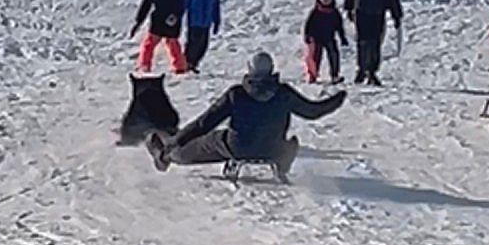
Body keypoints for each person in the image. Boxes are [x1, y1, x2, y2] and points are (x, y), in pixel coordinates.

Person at [145, 52, 346, 181]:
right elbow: (313, 112)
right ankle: (282, 162)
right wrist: (336, 100)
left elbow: (205, 123)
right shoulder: (284, 93)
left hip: (237, 147)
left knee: (207, 142)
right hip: (273, 149)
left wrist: (175, 141)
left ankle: (165, 157)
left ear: (250, 70)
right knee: (290, 143)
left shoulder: (237, 94)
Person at [342, 0, 402, 86]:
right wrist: (348, 8)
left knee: (375, 43)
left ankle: (372, 72)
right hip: (361, 12)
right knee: (362, 42)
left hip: (377, 13)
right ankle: (361, 69)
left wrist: (396, 15)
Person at [131, 0, 187, 75]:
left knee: (150, 44)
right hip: (171, 22)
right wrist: (176, 16)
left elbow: (146, 5)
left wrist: (138, 21)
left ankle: (144, 65)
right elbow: (181, 6)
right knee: (173, 45)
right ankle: (180, 67)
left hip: (159, 21)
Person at [303, 0, 348, 84]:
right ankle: (312, 75)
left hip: (329, 38)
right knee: (315, 57)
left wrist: (342, 37)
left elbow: (339, 26)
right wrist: (307, 36)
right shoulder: (315, 12)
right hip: (316, 39)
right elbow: (308, 25)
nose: (326, 0)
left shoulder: (334, 12)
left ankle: (334, 75)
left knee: (334, 55)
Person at [183, 0, 221, 74]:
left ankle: (194, 63)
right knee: (193, 44)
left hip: (206, 23)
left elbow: (215, 7)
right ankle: (186, 63)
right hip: (194, 22)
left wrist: (216, 21)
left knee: (203, 46)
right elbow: (185, 4)